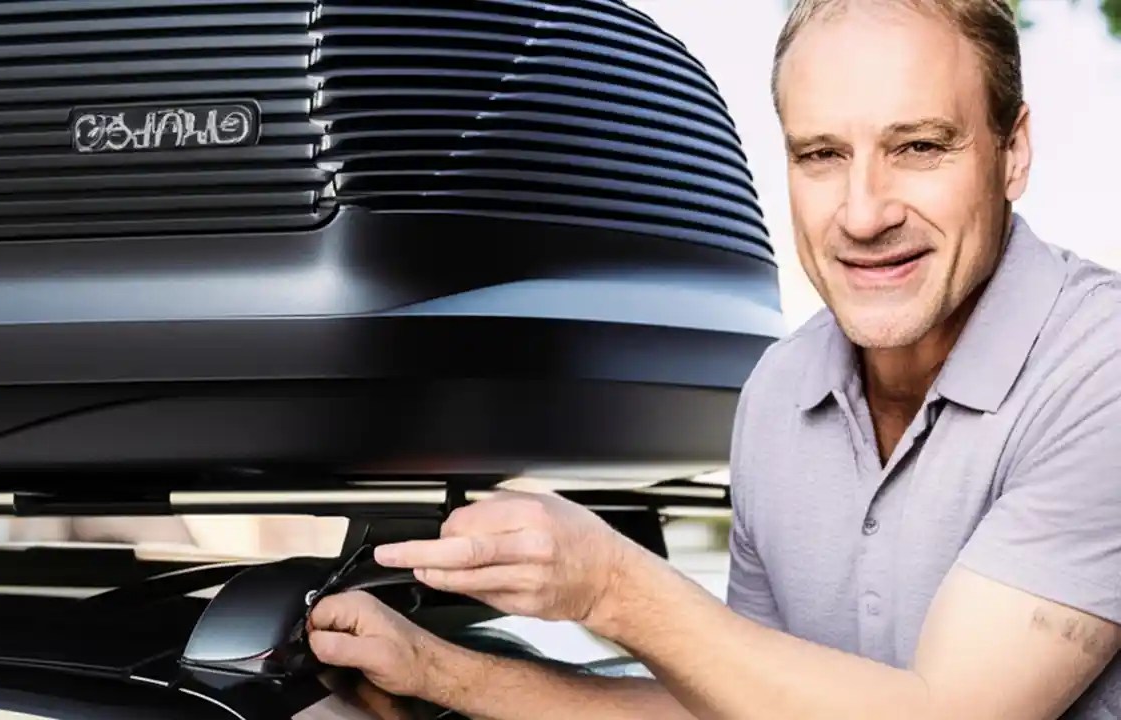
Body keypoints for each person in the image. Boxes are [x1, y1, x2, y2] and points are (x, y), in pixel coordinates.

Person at [303, 0, 1121, 717]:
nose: (864, 214)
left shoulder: (1100, 369)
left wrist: (611, 585)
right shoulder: (779, 392)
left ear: (1013, 152)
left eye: (918, 147)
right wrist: (437, 672)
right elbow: (744, 705)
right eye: (821, 155)